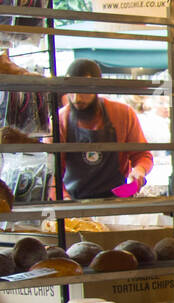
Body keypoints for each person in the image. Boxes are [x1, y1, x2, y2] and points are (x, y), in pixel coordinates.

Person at [56, 59, 153, 199]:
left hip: (118, 199)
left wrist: (139, 171)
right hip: (75, 201)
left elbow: (142, 155)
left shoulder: (122, 114)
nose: (77, 99)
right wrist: (65, 201)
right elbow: (53, 171)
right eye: (72, 90)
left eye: (83, 90)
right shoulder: (61, 120)